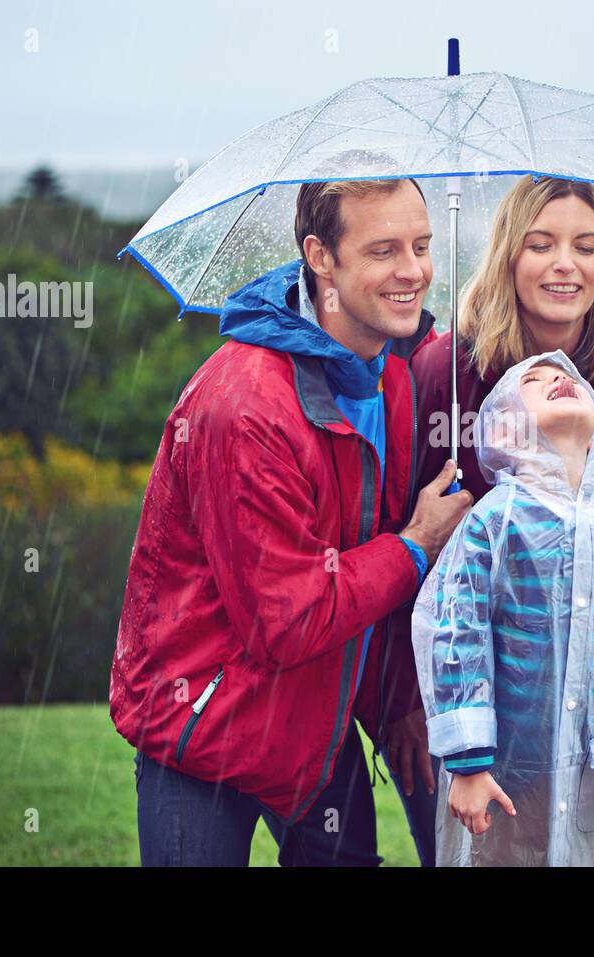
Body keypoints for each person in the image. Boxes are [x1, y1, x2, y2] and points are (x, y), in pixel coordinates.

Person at [110, 176, 470, 865]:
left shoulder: (391, 376)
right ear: (320, 257)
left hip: (315, 729)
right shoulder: (243, 404)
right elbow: (289, 617)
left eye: (422, 246)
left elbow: (365, 556)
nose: (415, 271)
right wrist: (417, 543)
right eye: (384, 250)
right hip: (207, 729)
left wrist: (397, 701)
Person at [388, 175, 594, 864]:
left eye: (586, 246)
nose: (564, 265)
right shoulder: (448, 369)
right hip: (456, 686)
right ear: (507, 255)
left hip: (576, 695)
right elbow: (404, 537)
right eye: (540, 244)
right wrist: (406, 698)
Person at [411, 350, 594, 866]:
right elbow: (454, 635)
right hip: (502, 772)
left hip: (589, 774)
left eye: (568, 378)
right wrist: (469, 762)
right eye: (534, 382)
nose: (558, 380)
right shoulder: (493, 524)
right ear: (505, 433)